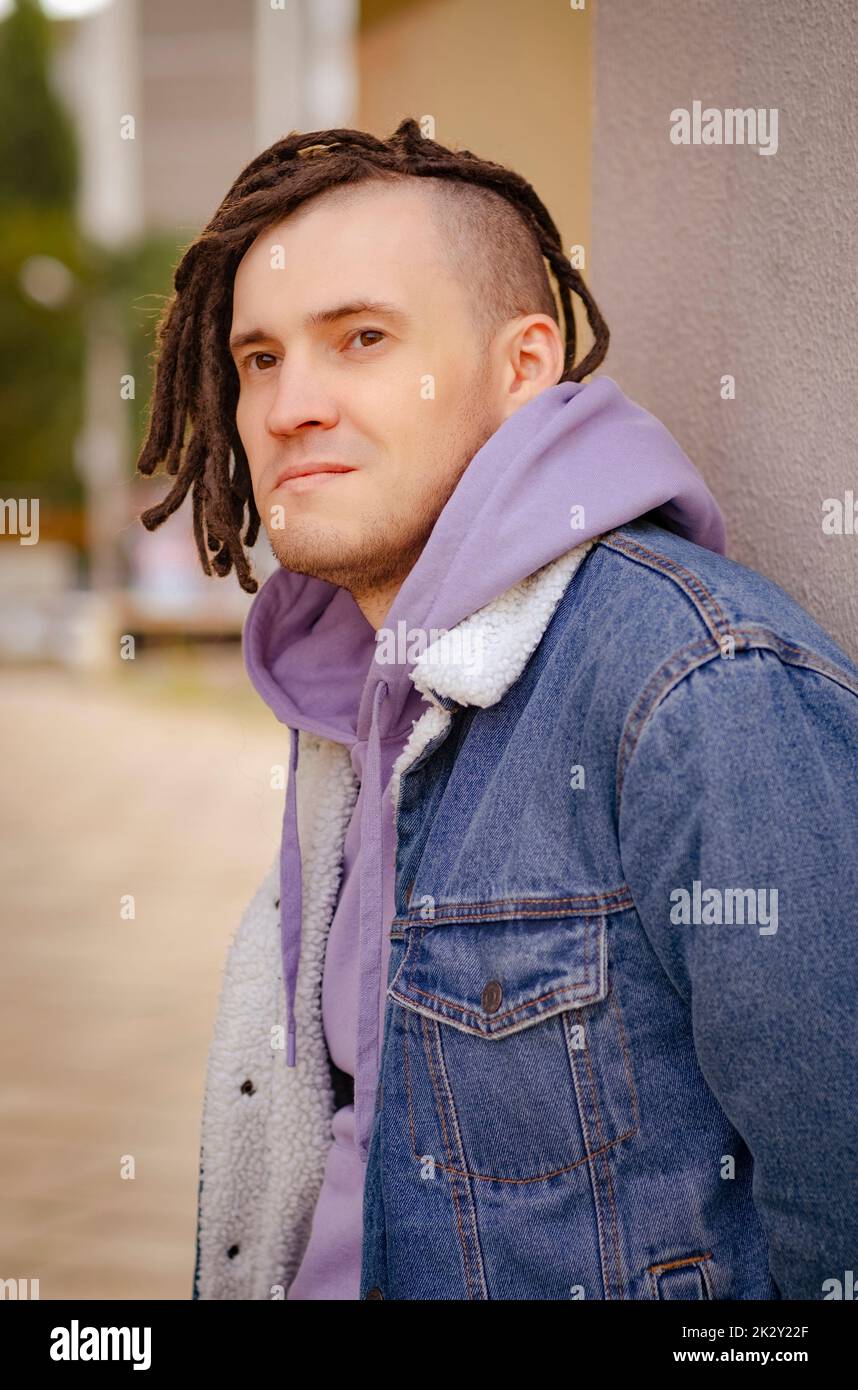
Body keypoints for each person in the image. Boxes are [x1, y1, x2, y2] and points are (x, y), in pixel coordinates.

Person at [136, 117, 858, 1301]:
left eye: (360, 338)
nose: (286, 406)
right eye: (259, 358)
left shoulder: (699, 691)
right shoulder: (354, 696)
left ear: (522, 369)